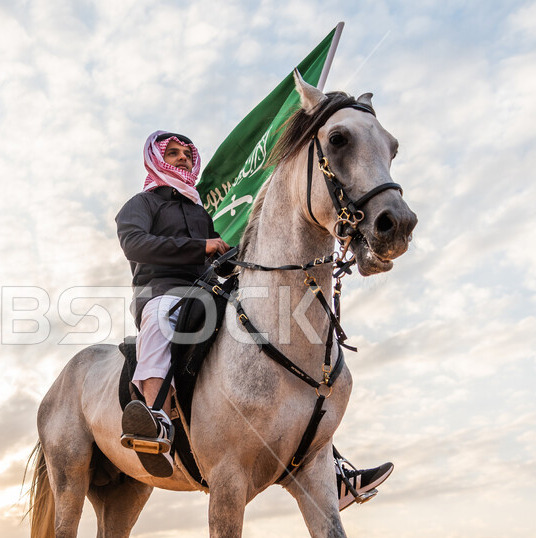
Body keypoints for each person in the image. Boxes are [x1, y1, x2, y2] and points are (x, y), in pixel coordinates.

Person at [115, 130, 392, 510]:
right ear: (156, 159)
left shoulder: (198, 210)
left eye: (185, 153)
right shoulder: (142, 203)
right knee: (162, 319)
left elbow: (216, 258)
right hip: (161, 290)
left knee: (266, 342)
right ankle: (153, 418)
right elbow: (135, 244)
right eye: (172, 153)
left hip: (206, 289)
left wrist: (237, 261)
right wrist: (200, 247)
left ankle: (334, 471)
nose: (181, 158)